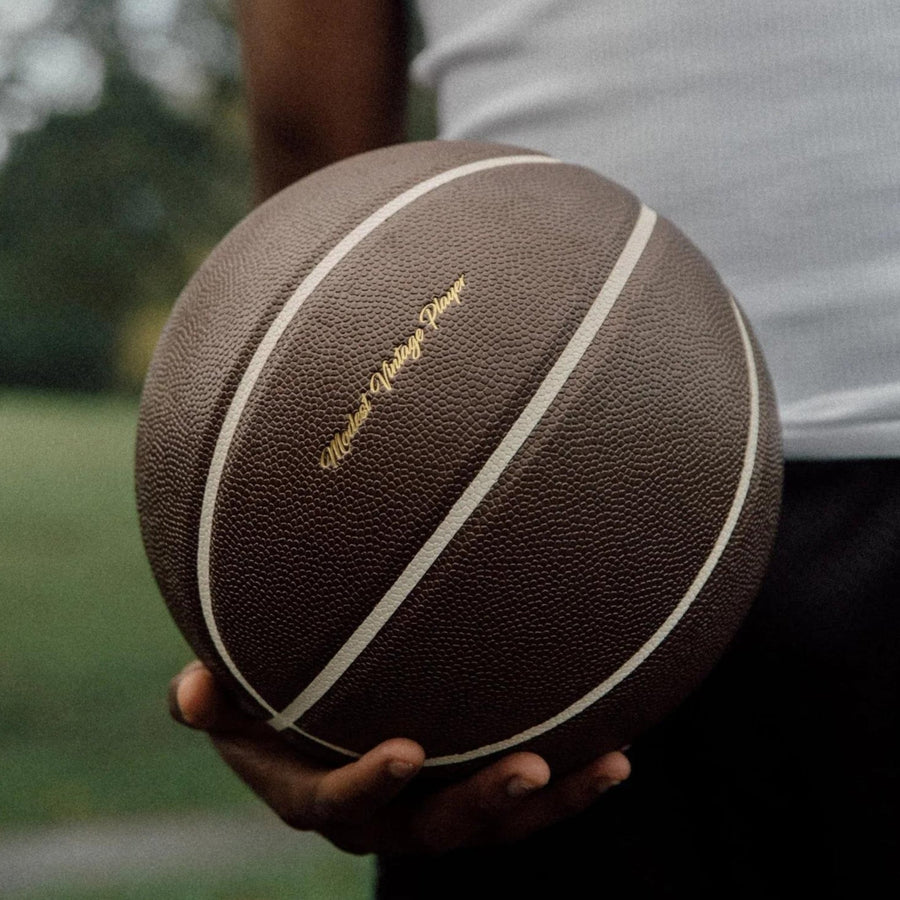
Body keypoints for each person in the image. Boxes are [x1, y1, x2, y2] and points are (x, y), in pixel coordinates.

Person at [169, 1, 900, 896]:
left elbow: (308, 142)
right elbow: (311, 147)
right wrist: (288, 649)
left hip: (524, 496)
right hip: (524, 499)